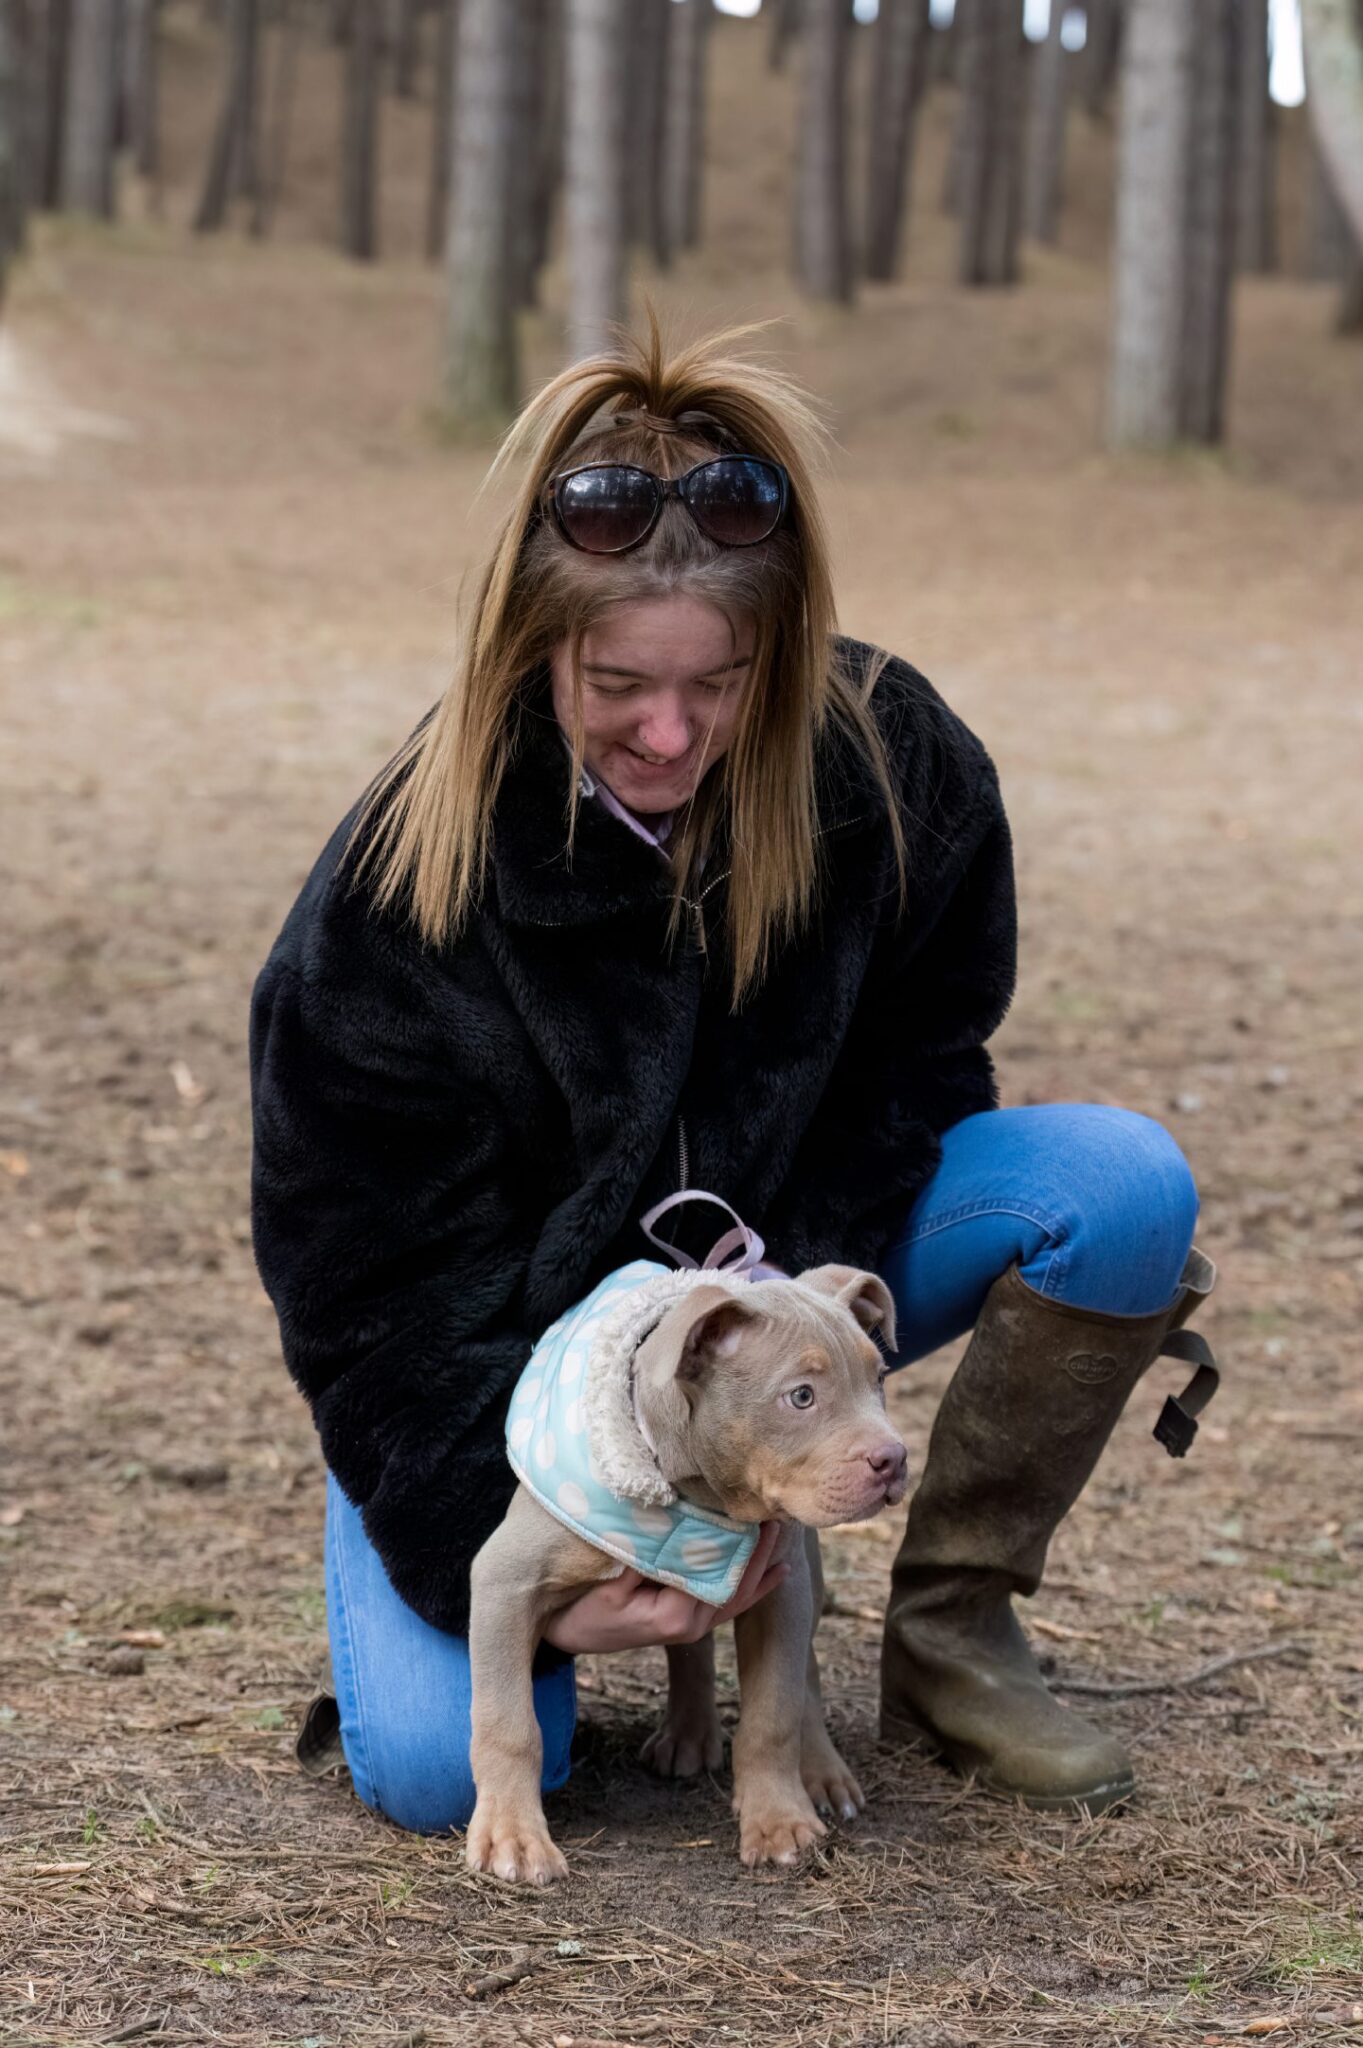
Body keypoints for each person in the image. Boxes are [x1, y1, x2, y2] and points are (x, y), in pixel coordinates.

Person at [249, 316, 1218, 1838]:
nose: (673, 731)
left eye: (725, 684)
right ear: (528, 642)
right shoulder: (401, 882)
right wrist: (488, 1529)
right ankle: (480, 1586)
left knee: (1117, 1188)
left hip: (790, 1306)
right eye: (619, 682)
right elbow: (354, 1265)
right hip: (481, 1384)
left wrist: (788, 1309)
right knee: (446, 1774)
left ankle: (954, 1635)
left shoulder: (895, 765)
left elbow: (926, 1059)